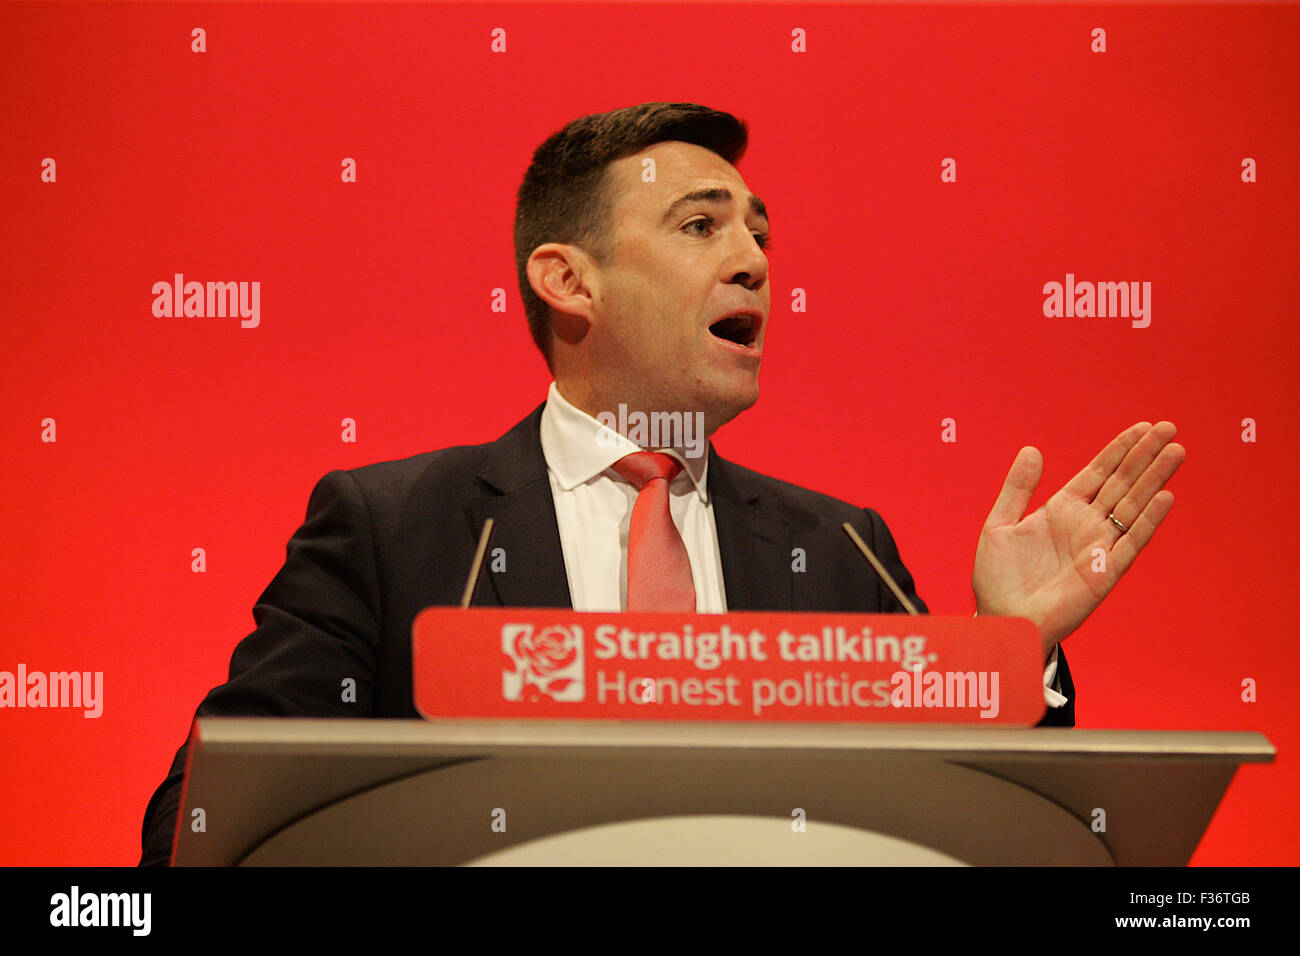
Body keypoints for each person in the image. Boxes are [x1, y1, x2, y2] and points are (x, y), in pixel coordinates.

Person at [139, 102, 1184, 866]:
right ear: (567, 279)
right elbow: (200, 825)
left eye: (761, 234)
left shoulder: (841, 548)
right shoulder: (392, 526)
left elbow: (992, 833)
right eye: (702, 226)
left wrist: (1013, 653)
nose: (756, 262)